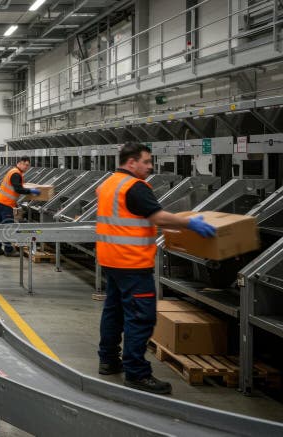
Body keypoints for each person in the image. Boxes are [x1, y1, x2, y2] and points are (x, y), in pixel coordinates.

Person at [96, 142, 216, 395]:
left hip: (111, 259)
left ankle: (108, 360)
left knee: (113, 312)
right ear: (132, 163)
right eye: (147, 162)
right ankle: (137, 373)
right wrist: (189, 223)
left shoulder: (109, 183)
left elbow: (129, 220)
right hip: (133, 263)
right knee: (141, 317)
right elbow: (157, 216)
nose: (151, 167)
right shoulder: (135, 187)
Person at [0, 156, 40, 256]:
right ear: (20, 163)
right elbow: (18, 189)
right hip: (5, 204)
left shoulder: (13, 171)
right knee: (7, 227)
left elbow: (12, 189)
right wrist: (31, 191)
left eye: (28, 165)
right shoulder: (16, 174)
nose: (26, 167)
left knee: (0, 226)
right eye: (25, 165)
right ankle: (8, 250)